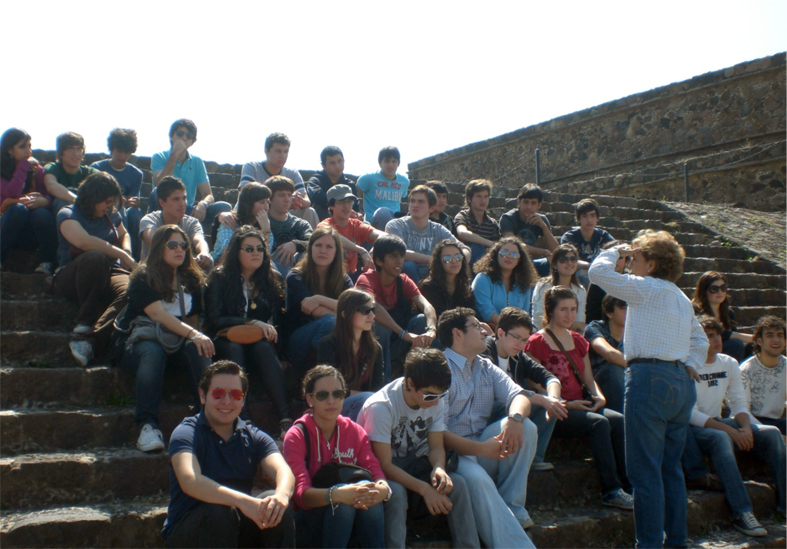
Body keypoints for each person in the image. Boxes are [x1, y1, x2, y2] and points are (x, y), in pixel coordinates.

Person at [588, 230, 708, 549]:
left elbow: (596, 272)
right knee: (670, 470)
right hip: (680, 383)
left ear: (651, 264)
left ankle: (651, 544)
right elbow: (701, 340)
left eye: (635, 258)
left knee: (644, 473)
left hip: (648, 379)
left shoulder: (646, 288)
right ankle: (677, 541)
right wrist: (691, 364)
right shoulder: (681, 297)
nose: (629, 264)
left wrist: (615, 250)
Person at [163, 360, 296, 548]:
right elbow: (190, 481)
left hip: (236, 531)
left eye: (235, 394)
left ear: (243, 399)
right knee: (220, 512)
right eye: (218, 393)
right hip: (191, 534)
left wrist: (281, 496)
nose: (227, 401)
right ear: (202, 396)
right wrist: (243, 502)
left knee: (275, 507)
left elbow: (284, 471)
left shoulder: (253, 435)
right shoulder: (186, 433)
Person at [357, 348, 480, 548]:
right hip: (382, 472)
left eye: (441, 395)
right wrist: (424, 489)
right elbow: (384, 465)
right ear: (410, 383)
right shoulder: (381, 407)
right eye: (430, 396)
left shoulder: (435, 398)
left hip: (415, 463)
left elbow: (436, 446)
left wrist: (439, 468)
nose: (436, 402)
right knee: (395, 493)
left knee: (457, 483)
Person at [524, 286, 632, 509]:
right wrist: (567, 403)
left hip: (580, 403)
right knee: (599, 424)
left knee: (619, 420)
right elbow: (533, 385)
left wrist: (598, 396)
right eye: (563, 309)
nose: (569, 315)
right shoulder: (537, 341)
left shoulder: (579, 340)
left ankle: (630, 486)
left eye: (573, 309)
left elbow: (588, 378)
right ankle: (611, 490)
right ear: (550, 311)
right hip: (557, 409)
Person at [437, 307, 537, 547]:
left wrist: (514, 418)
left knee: (527, 426)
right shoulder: (439, 369)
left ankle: (513, 505)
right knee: (480, 482)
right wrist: (481, 450)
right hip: (453, 455)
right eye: (476, 326)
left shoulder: (485, 365)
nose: (485, 331)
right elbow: (437, 434)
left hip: (482, 446)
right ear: (457, 334)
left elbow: (520, 395)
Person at [681, 315, 785, 535]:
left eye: (717, 333)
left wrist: (745, 428)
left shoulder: (728, 362)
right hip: (695, 428)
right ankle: (742, 512)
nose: (716, 339)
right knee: (721, 438)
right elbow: (689, 413)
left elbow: (737, 402)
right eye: (709, 336)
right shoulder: (686, 365)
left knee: (772, 432)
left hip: (720, 421)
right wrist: (730, 430)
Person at [114, 225, 213, 452]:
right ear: (160, 247)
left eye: (183, 245)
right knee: (152, 352)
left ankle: (208, 418)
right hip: (141, 340)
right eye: (172, 245)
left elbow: (194, 320)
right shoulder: (143, 275)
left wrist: (195, 338)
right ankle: (147, 426)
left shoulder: (191, 278)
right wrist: (194, 334)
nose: (180, 250)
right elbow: (158, 314)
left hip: (177, 342)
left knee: (199, 349)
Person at [282, 366, 390, 548]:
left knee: (367, 491)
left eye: (338, 394)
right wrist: (338, 494)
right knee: (344, 499)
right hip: (307, 523)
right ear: (310, 399)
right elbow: (301, 496)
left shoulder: (356, 432)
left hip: (350, 519)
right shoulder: (296, 435)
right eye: (323, 395)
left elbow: (377, 473)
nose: (331, 401)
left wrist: (381, 490)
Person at [204, 226, 292, 440]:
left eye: (260, 249)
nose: (256, 253)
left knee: (262, 346)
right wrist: (251, 322)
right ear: (237, 252)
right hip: (226, 341)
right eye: (249, 249)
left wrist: (281, 356)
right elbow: (215, 320)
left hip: (258, 346)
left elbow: (278, 323)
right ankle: (243, 417)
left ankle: (285, 419)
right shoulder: (220, 277)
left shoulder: (272, 279)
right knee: (234, 347)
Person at [54, 172, 136, 366]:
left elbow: (124, 233)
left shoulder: (111, 215)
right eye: (106, 201)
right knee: (95, 257)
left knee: (132, 291)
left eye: (112, 202)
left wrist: (126, 249)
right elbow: (84, 242)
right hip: (75, 274)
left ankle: (90, 340)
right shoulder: (67, 213)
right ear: (93, 197)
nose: (110, 206)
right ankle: (84, 323)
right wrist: (122, 256)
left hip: (110, 271)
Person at [483, 307, 568, 471]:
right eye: (517, 338)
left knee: (554, 403)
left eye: (525, 340)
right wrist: (543, 400)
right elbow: (501, 391)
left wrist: (553, 399)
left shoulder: (518, 355)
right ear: (500, 333)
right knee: (534, 404)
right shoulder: (485, 351)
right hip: (489, 410)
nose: (521, 345)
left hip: (513, 406)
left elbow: (550, 378)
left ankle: (534, 457)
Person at [355, 234, 437, 382]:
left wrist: (431, 330)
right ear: (379, 260)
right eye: (393, 256)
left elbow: (427, 306)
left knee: (421, 320)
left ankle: (417, 375)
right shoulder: (366, 279)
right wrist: (403, 334)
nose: (400, 261)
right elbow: (373, 308)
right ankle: (382, 382)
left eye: (401, 256)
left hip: (397, 341)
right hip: (368, 344)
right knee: (379, 326)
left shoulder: (403, 280)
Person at [284, 228, 352, 369]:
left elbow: (355, 305)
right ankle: (311, 376)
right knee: (330, 322)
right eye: (318, 245)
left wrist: (320, 299)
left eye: (329, 247)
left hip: (332, 339)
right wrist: (347, 315)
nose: (323, 251)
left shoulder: (343, 278)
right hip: (298, 343)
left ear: (336, 252)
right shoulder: (296, 276)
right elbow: (315, 311)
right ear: (310, 249)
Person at [149, 119, 231, 229]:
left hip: (188, 209)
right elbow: (159, 184)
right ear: (171, 136)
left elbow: (208, 194)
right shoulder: (159, 157)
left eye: (189, 136)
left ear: (192, 141)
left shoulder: (197, 161)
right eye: (179, 133)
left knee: (224, 207)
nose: (184, 138)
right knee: (155, 193)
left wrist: (203, 204)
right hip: (166, 207)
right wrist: (174, 154)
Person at [317, 289, 384, 421]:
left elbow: (378, 388)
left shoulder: (375, 348)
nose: (372, 316)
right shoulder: (328, 345)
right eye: (365, 310)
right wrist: (365, 396)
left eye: (373, 310)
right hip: (333, 406)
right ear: (345, 314)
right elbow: (329, 388)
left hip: (365, 406)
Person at [0, 128, 59, 274]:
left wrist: (45, 201)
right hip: (7, 227)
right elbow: (11, 192)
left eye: (29, 146)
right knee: (18, 209)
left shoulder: (36, 170)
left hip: (31, 233)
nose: (28, 151)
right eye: (22, 147)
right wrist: (23, 166)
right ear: (9, 150)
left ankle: (47, 262)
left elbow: (48, 195)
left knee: (41, 212)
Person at [235, 132, 318, 228]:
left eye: (285, 151)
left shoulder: (293, 173)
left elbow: (307, 201)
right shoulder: (252, 167)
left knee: (310, 212)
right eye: (278, 151)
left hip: (282, 214)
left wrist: (292, 200)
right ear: (266, 151)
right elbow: (246, 195)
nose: (283, 156)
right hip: (257, 212)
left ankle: (313, 242)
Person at [385, 184, 462, 282]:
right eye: (412, 201)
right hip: (405, 278)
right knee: (409, 266)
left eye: (421, 201)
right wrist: (435, 260)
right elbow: (399, 252)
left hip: (432, 275)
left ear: (432, 208)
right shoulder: (396, 225)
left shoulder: (438, 229)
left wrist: (459, 259)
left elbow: (463, 248)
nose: (415, 205)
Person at [91, 128, 144, 260]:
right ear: (112, 149)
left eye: (126, 152)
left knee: (135, 214)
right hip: (103, 208)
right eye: (119, 151)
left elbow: (133, 197)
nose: (122, 156)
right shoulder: (97, 168)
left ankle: (136, 258)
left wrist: (134, 201)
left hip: (125, 209)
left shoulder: (136, 174)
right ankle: (120, 257)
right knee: (121, 211)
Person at [139, 176, 213, 270]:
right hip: (154, 270)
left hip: (181, 270)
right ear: (162, 203)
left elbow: (199, 240)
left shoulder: (192, 223)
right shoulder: (149, 220)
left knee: (207, 262)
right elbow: (154, 240)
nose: (182, 203)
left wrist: (204, 252)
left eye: (184, 198)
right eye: (176, 199)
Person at [471, 237, 538, 330]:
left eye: (515, 254)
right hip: (487, 332)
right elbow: (486, 312)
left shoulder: (524, 283)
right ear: (495, 255)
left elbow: (524, 313)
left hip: (515, 334)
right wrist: (510, 329)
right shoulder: (483, 278)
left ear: (520, 259)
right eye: (505, 252)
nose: (509, 256)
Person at [316, 185, 381, 279]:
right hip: (330, 275)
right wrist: (361, 250)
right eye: (342, 202)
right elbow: (332, 236)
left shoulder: (356, 224)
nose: (347, 206)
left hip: (352, 274)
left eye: (349, 202)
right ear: (331, 205)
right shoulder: (325, 224)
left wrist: (375, 250)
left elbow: (384, 235)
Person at [499, 183, 559, 277]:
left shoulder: (541, 220)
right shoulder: (508, 218)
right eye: (526, 202)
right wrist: (543, 251)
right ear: (519, 202)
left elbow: (556, 250)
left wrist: (544, 228)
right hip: (511, 259)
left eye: (533, 203)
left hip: (531, 263)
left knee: (555, 263)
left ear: (539, 205)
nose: (529, 207)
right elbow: (514, 246)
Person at [691, 271, 753, 362]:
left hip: (723, 350)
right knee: (736, 344)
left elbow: (733, 334)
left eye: (723, 288)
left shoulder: (728, 313)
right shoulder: (696, 311)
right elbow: (724, 334)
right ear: (704, 291)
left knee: (751, 347)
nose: (720, 292)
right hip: (704, 352)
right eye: (714, 289)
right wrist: (756, 338)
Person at [740, 316, 786, 435]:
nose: (776, 340)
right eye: (770, 335)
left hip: (778, 421)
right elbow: (742, 410)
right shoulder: (746, 370)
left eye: (780, 335)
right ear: (759, 341)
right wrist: (776, 435)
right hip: (752, 423)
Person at [583, 295, 627, 414]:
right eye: (624, 308)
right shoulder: (595, 327)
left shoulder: (633, 334)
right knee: (613, 369)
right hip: (596, 386)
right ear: (609, 312)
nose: (630, 312)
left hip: (624, 381)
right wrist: (635, 365)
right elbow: (610, 354)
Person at [531, 244, 587, 331]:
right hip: (543, 334)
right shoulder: (543, 285)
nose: (569, 263)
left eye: (573, 259)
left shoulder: (580, 290)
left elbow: (580, 322)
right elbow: (539, 319)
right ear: (554, 265)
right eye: (563, 260)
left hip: (570, 336)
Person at [560, 198, 615, 287]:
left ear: (597, 218)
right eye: (585, 216)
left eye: (592, 215)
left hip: (600, 271)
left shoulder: (603, 235)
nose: (589, 220)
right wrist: (592, 266)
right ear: (578, 219)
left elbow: (616, 249)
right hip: (578, 272)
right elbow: (569, 260)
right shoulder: (569, 237)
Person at [211, 182, 272, 261]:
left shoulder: (265, 224)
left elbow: (265, 255)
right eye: (262, 202)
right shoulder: (230, 221)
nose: (266, 207)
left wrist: (266, 231)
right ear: (248, 204)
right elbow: (229, 252)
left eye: (267, 202)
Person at [266, 175, 313, 276]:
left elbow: (313, 242)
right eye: (281, 195)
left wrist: (295, 244)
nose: (287, 200)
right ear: (269, 199)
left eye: (289, 195)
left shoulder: (300, 224)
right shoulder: (260, 220)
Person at [419, 239, 475, 321]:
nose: (454, 261)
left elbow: (470, 315)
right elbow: (439, 318)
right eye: (447, 258)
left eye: (458, 257)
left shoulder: (466, 289)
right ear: (439, 262)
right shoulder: (428, 287)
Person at [356, 146, 410, 230]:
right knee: (383, 212)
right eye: (387, 161)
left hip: (395, 222)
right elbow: (356, 193)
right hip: (373, 223)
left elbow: (402, 197)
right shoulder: (368, 178)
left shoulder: (404, 182)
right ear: (380, 163)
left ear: (398, 163)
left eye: (394, 161)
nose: (390, 165)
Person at [43, 132, 97, 210]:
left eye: (79, 149)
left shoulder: (89, 172)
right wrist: (78, 200)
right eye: (70, 150)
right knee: (62, 201)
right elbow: (51, 185)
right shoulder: (53, 168)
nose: (76, 154)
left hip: (87, 213)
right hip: (61, 213)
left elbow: (106, 185)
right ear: (61, 153)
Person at [306, 146, 360, 221]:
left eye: (339, 161)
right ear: (324, 166)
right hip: (323, 224)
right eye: (332, 163)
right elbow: (319, 198)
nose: (337, 166)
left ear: (344, 161)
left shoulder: (350, 184)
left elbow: (356, 208)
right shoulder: (315, 182)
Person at [454, 179, 501, 264]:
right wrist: (488, 243)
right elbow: (462, 233)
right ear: (469, 199)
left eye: (486, 196)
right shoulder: (463, 216)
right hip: (465, 262)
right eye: (479, 196)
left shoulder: (492, 223)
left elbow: (496, 246)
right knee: (476, 248)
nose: (483, 201)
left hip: (486, 262)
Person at [585, 240, 625, 322]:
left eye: (620, 256)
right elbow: (591, 314)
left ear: (627, 260)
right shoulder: (597, 281)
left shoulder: (632, 280)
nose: (615, 260)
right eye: (612, 256)